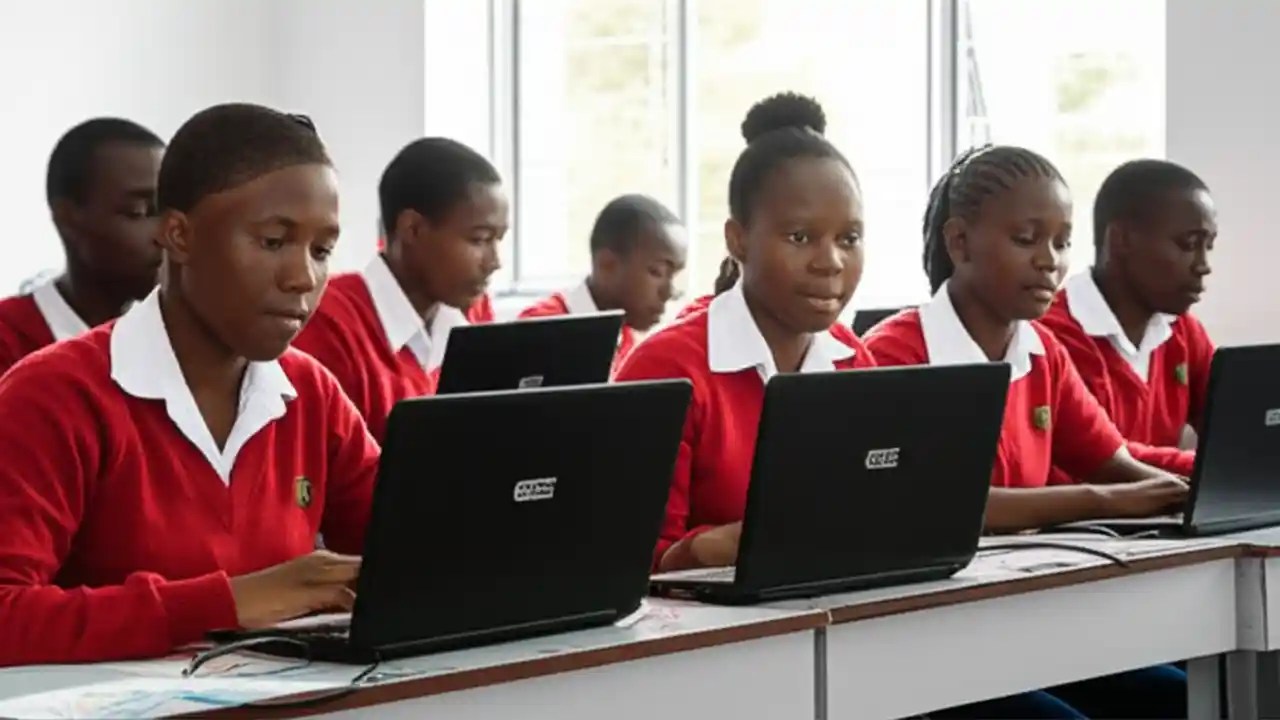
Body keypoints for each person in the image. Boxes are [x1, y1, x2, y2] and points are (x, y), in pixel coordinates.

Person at [0, 104, 379, 667]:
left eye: (321, 251)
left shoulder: (311, 393)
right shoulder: (52, 396)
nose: (303, 277)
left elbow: (411, 552)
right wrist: (226, 603)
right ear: (178, 236)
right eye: (273, 241)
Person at [864, 145, 1188, 718]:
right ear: (959, 242)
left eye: (1061, 243)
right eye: (1026, 240)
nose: (1049, 262)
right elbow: (937, 507)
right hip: (927, 638)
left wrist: (1192, 492)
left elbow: (1116, 465)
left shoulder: (1043, 353)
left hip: (1025, 617)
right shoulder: (895, 355)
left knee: (1185, 696)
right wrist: (1102, 500)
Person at [615, 92, 875, 572]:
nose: (831, 262)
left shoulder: (853, 359)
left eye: (849, 239)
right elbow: (626, 559)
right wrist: (714, 547)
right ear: (738, 240)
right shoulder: (666, 369)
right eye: (800, 237)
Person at [293, 137, 508, 442]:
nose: (495, 261)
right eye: (480, 239)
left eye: (499, 239)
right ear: (413, 229)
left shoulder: (472, 311)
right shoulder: (329, 323)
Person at [1039, 160, 1215, 481]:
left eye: (1208, 247)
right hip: (1088, 513)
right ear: (1122, 239)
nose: (1203, 265)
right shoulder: (1051, 336)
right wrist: (1211, 466)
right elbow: (1101, 455)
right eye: (1189, 245)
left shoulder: (1183, 331)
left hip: (1165, 506)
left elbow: (1237, 430)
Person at [0, 118, 165, 374]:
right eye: (139, 212)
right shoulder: (10, 342)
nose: (167, 235)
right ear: (68, 219)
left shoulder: (162, 342)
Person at [519, 194, 687, 374]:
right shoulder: (539, 331)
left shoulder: (627, 342)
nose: (669, 292)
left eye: (674, 276)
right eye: (657, 272)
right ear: (607, 264)